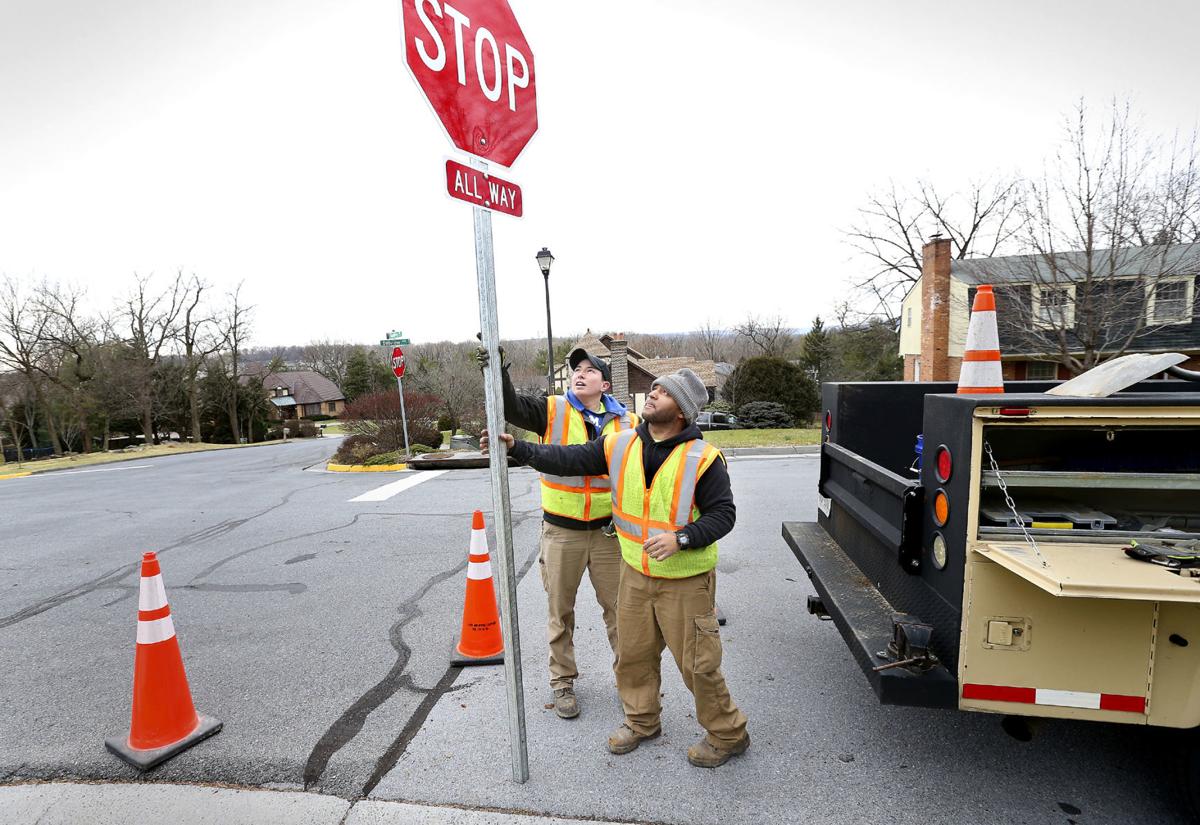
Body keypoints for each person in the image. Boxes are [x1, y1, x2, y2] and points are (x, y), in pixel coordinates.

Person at [483, 368, 749, 768]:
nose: (653, 394)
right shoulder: (621, 444)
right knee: (633, 655)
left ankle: (728, 734)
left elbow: (723, 515)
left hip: (685, 581)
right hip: (635, 575)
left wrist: (682, 538)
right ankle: (642, 721)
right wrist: (519, 449)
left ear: (682, 411)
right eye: (653, 388)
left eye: (664, 392)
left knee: (698, 665)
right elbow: (569, 458)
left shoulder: (703, 458)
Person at [493, 346, 638, 719]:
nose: (580, 374)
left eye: (590, 370)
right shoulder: (552, 409)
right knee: (560, 612)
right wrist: (498, 366)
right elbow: (510, 407)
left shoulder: (629, 423)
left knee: (620, 613)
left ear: (605, 384)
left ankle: (630, 681)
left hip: (608, 533)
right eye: (576, 369)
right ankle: (562, 683)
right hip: (561, 531)